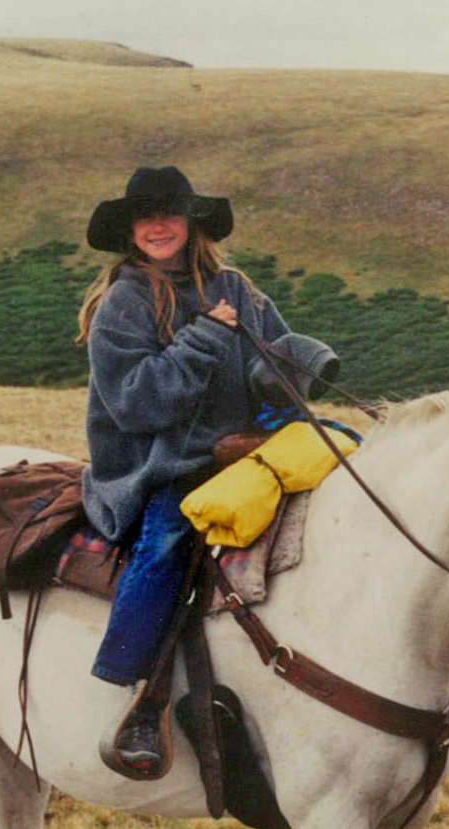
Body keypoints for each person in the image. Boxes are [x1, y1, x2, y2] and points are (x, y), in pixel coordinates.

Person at [76, 165, 293, 778]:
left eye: (170, 212)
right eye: (146, 217)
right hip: (157, 466)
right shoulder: (126, 299)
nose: (159, 225)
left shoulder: (239, 290)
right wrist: (203, 341)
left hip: (244, 457)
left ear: (192, 221)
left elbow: (272, 360)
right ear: (131, 230)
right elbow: (138, 403)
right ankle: (138, 693)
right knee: (168, 541)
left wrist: (291, 374)